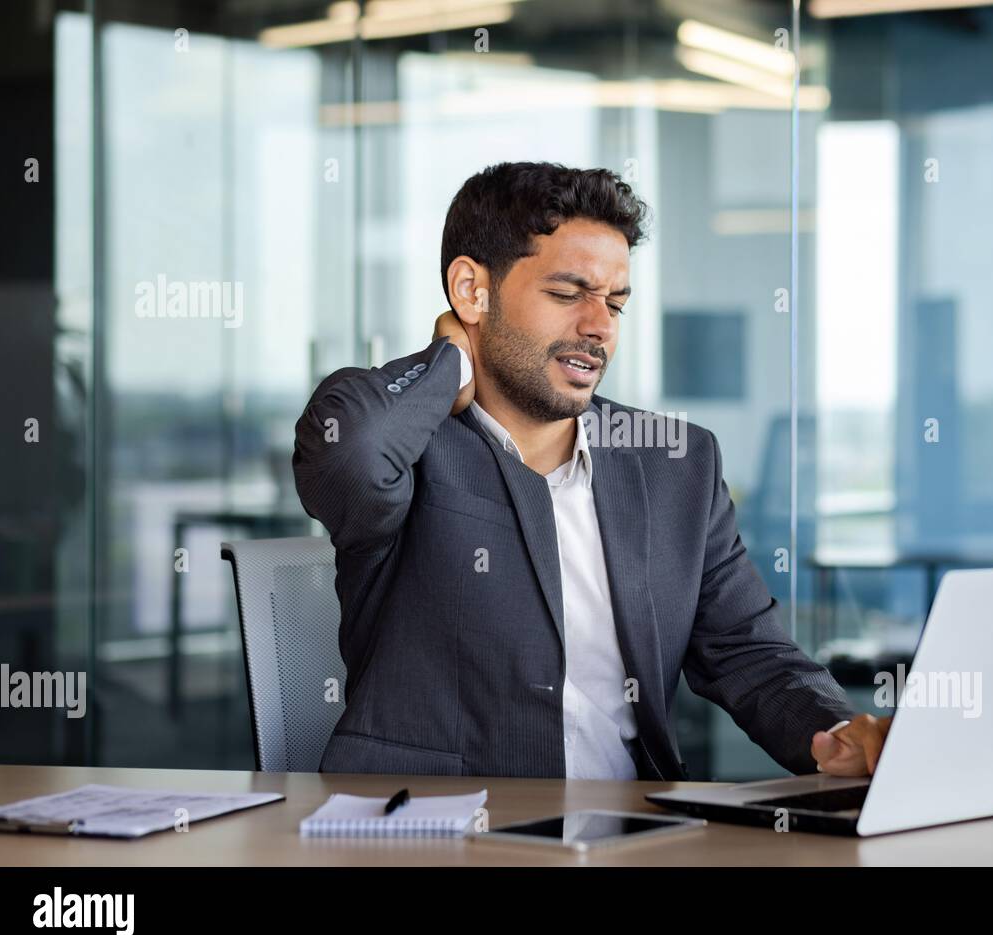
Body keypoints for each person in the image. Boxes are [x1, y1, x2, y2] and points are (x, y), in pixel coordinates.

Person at [293, 161, 891, 780]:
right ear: (473, 289)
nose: (599, 326)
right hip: (443, 835)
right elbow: (354, 454)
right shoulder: (411, 450)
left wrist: (841, 734)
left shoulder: (674, 463)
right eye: (567, 293)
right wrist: (448, 360)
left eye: (615, 303)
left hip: (635, 835)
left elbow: (750, 651)